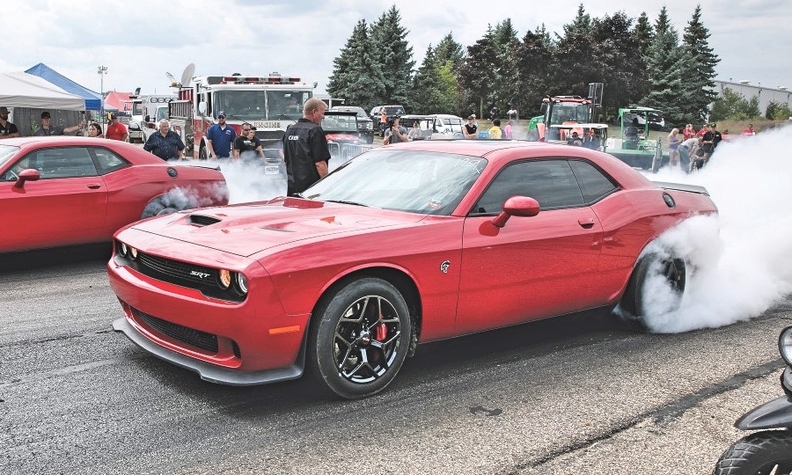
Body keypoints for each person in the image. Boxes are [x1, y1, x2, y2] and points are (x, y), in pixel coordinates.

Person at [281, 97, 331, 196]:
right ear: (314, 112)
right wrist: (327, 185)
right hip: (311, 189)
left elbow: (286, 161)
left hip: (293, 189)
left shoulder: (289, 130)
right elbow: (320, 163)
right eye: (322, 113)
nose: (323, 117)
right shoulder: (315, 130)